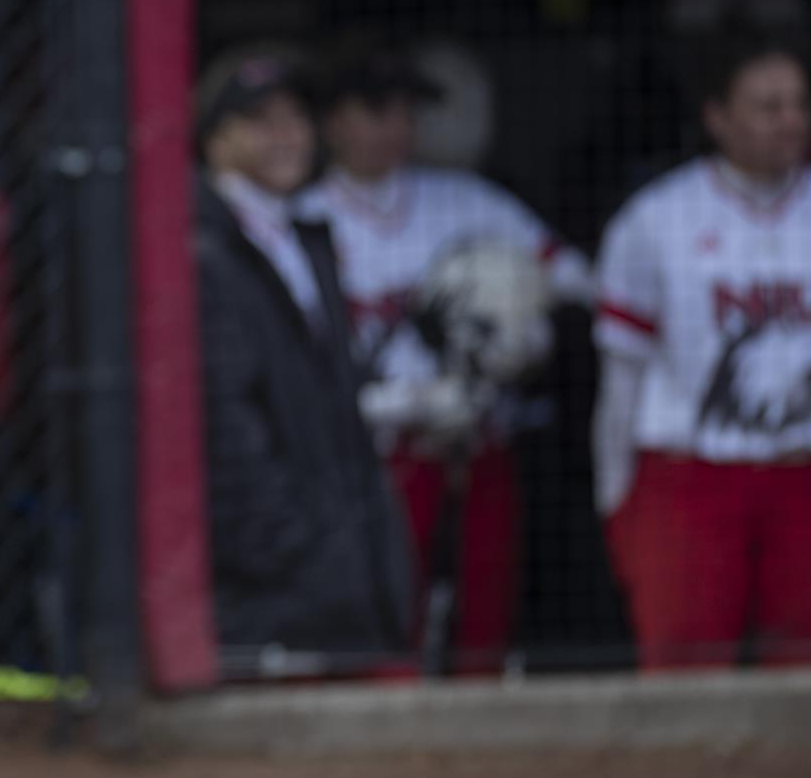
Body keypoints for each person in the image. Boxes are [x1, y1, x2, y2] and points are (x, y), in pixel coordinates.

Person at [297, 47, 590, 673]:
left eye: (406, 113)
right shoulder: (303, 222)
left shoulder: (464, 201)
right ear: (331, 123)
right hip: (372, 454)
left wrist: (524, 319)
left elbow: (572, 274)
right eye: (376, 112)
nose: (395, 129)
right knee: (385, 611)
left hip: (476, 442)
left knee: (484, 610)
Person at [594, 28, 811, 669]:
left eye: (798, 104)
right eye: (768, 106)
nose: (789, 121)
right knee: (684, 683)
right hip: (687, 478)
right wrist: (614, 499)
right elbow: (620, 377)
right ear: (717, 116)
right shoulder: (655, 219)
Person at [193, 45, 415, 672]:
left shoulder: (305, 238)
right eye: (260, 119)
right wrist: (289, 544)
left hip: (337, 561)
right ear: (215, 135)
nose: (286, 136)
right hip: (271, 584)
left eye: (296, 118)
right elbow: (222, 418)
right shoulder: (201, 246)